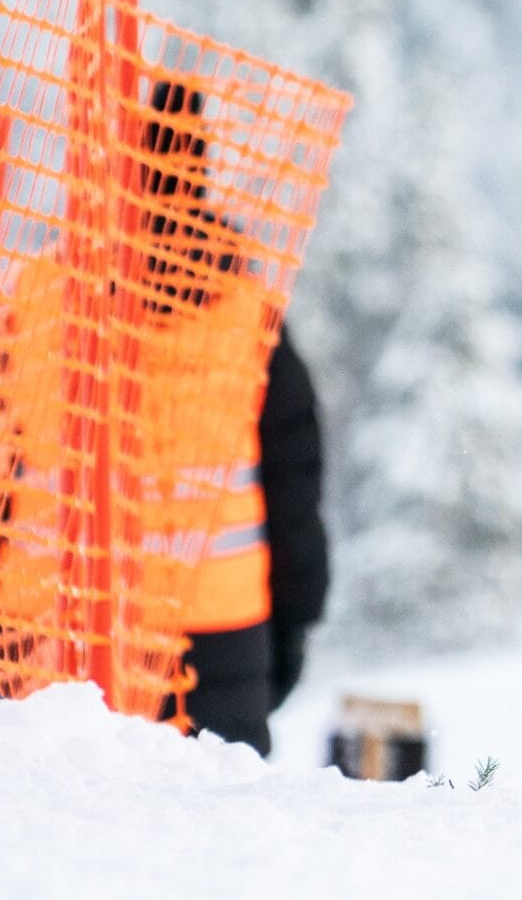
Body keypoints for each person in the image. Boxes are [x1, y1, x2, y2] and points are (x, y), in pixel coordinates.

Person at [141, 81, 330, 755]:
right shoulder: (248, 314)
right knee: (220, 810)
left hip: (81, 631)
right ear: (201, 162)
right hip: (225, 626)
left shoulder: (53, 299)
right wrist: (296, 616)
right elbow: (293, 475)